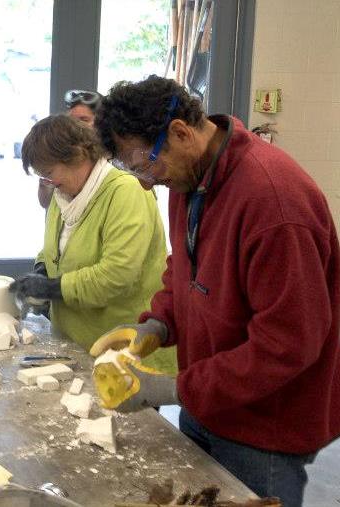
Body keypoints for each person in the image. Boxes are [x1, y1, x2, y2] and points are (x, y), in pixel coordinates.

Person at [90, 75, 340, 506]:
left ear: (180, 132)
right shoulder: (189, 178)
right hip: (209, 404)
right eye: (132, 170)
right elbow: (185, 269)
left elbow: (289, 344)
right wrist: (158, 325)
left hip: (265, 429)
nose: (146, 182)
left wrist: (176, 390)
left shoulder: (274, 202)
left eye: (144, 164)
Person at [10, 114, 174, 373]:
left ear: (76, 155)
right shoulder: (63, 194)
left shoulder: (125, 191)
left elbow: (117, 275)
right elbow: (53, 249)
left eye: (50, 173)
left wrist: (54, 288)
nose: (49, 182)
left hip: (123, 352)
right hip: (75, 344)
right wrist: (42, 270)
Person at [37, 89, 104, 209]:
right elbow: (45, 202)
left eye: (83, 120)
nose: (75, 126)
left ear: (101, 124)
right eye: (71, 121)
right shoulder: (61, 153)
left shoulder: (112, 162)